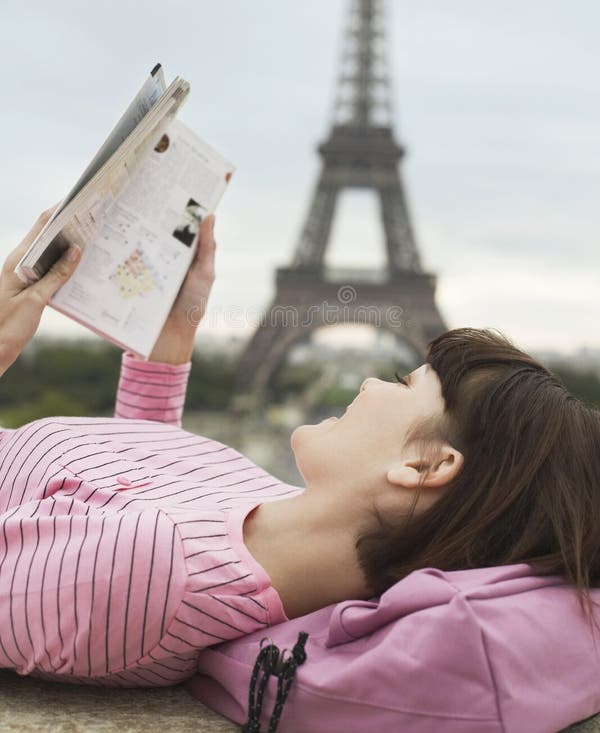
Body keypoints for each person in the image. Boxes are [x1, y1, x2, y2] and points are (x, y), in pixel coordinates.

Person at [1, 207, 599, 690]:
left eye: (401, 382)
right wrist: (169, 346)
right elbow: (123, 497)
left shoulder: (154, 574)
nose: (369, 382)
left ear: (424, 465)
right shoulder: (275, 516)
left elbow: (124, 554)